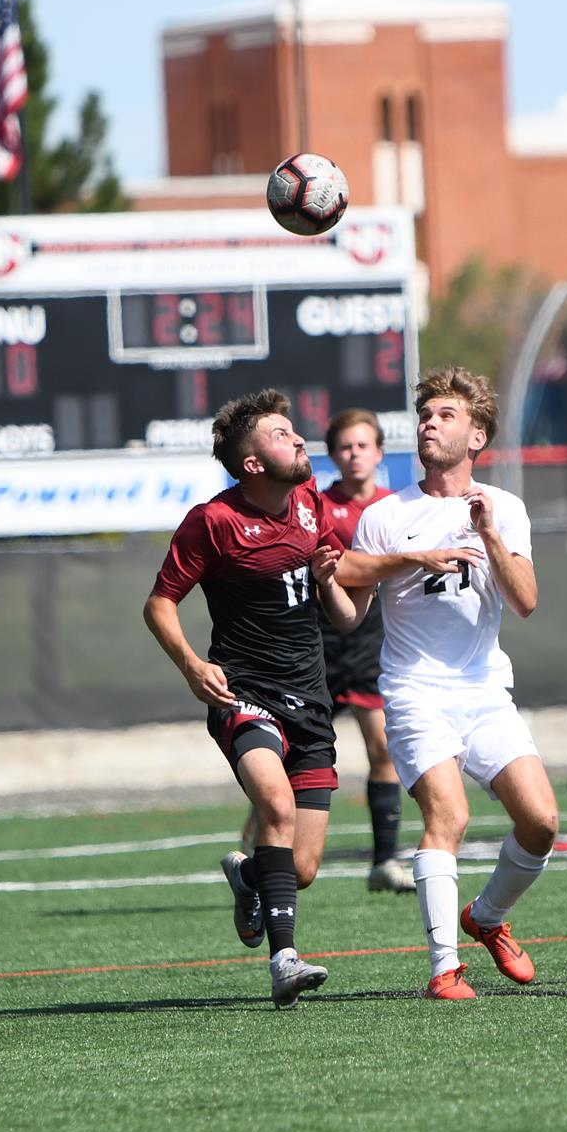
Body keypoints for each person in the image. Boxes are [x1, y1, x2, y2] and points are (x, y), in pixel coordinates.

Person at [336, 367, 556, 1001]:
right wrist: (404, 559)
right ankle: (443, 970)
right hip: (413, 691)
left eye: (446, 415)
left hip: (485, 690)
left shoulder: (504, 508)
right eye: (425, 414)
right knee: (448, 817)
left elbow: (527, 602)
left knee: (540, 821)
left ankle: (484, 918)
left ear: (477, 435)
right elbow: (348, 578)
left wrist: (486, 532)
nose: (429, 423)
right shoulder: (387, 513)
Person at [143, 389, 357, 1008]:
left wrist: (332, 581)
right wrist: (191, 666)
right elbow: (159, 605)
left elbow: (340, 614)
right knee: (275, 805)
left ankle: (247, 874)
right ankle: (284, 961)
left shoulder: (313, 506)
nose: (297, 438)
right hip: (244, 692)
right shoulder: (213, 521)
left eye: (295, 429)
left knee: (303, 868)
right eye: (281, 433)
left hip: (311, 702)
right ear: (252, 463)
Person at [318, 408, 415, 892]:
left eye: (363, 446)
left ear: (379, 452)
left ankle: (384, 862)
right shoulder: (316, 507)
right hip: (318, 644)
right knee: (291, 756)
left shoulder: (392, 507)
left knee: (382, 750)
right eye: (345, 447)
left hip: (371, 643)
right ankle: (259, 845)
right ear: (334, 454)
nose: (354, 454)